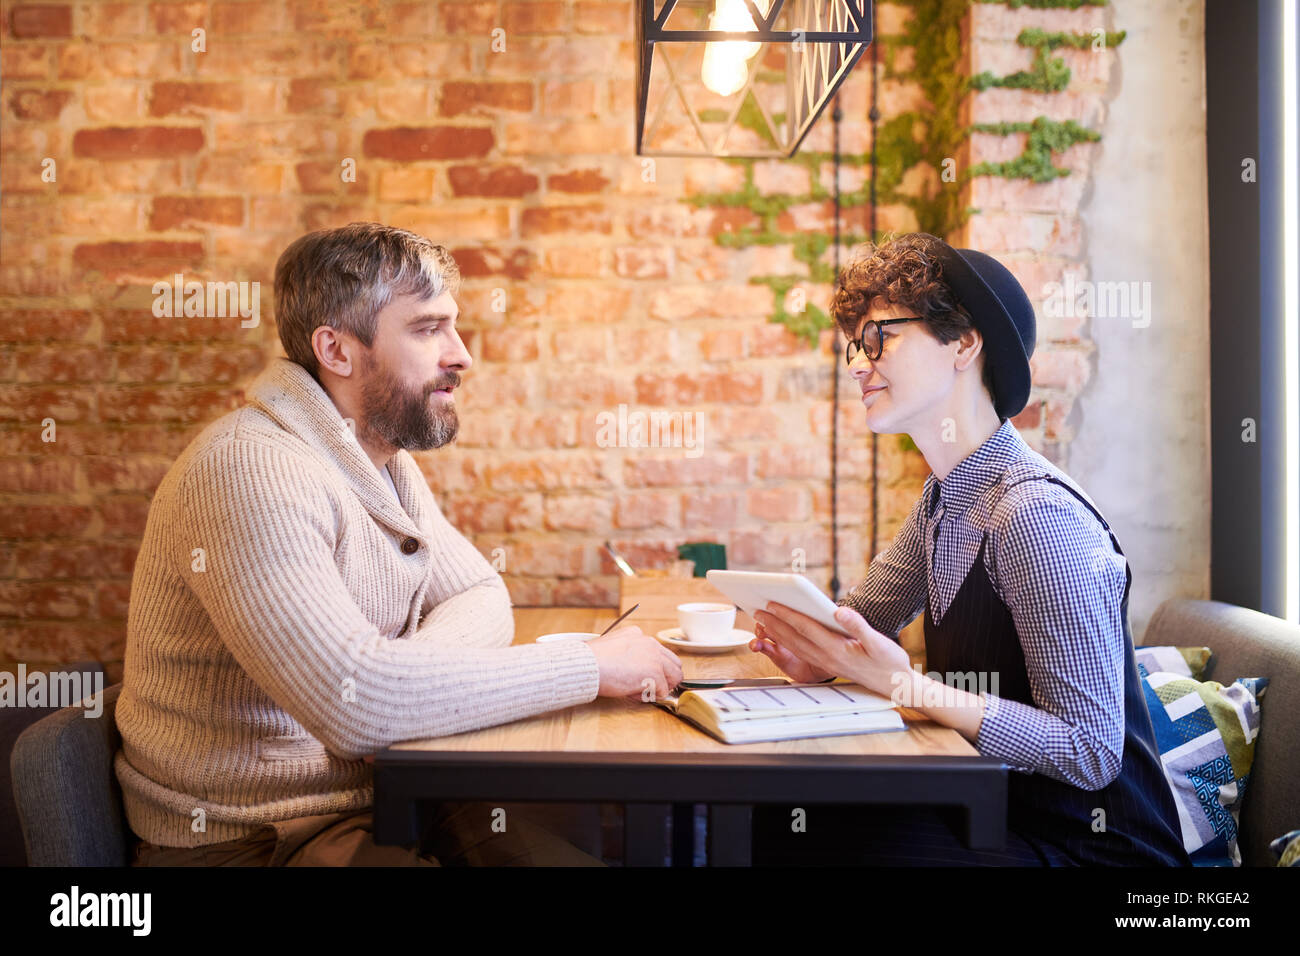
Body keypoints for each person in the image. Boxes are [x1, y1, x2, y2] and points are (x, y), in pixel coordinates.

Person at [118, 222, 683, 866]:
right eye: (426, 328)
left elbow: (478, 593)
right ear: (336, 350)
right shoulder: (249, 470)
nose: (461, 354)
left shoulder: (375, 457)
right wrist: (592, 666)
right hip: (257, 838)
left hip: (394, 789)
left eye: (454, 325)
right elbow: (357, 704)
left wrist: (402, 692)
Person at [748, 233, 1190, 866]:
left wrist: (907, 686)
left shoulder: (1034, 516)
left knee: (815, 837)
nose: (856, 364)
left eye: (880, 338)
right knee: (786, 819)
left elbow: (1090, 752)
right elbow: (859, 625)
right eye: (855, 345)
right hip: (991, 810)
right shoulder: (942, 500)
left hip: (1095, 851)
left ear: (964, 343)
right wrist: (819, 655)